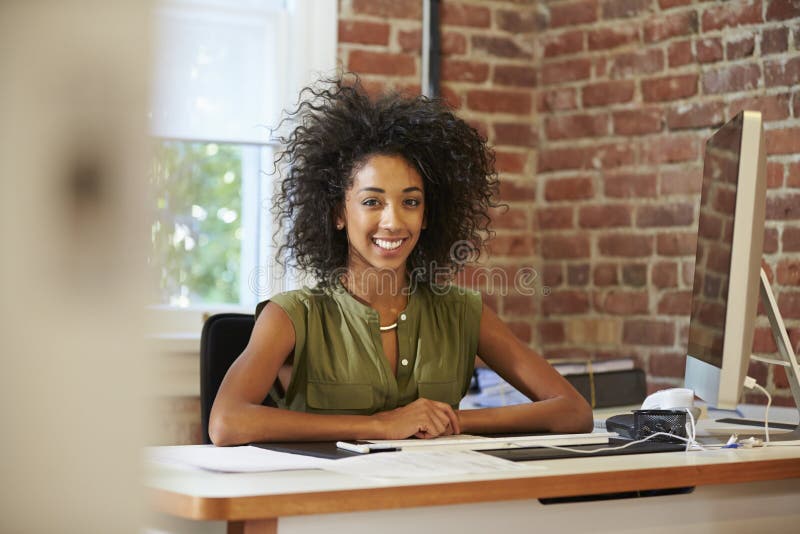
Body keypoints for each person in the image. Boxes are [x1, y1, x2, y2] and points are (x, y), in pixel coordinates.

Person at [209, 78, 593, 446]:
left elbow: (573, 412)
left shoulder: (461, 312)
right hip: (322, 506)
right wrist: (380, 425)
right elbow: (227, 422)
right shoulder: (292, 316)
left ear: (427, 215)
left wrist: (450, 420)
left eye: (410, 202)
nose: (393, 221)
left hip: (431, 502)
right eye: (372, 202)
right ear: (338, 213)